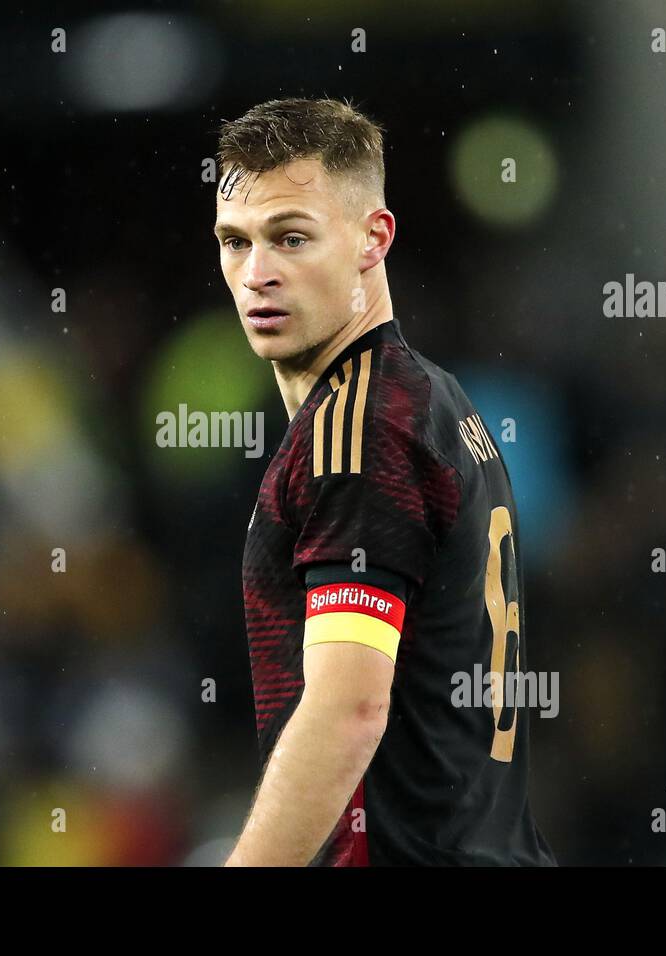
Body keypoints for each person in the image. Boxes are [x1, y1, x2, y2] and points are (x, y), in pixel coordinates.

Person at [214, 97, 556, 866]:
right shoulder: (430, 398)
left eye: (291, 237)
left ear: (374, 238)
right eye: (235, 242)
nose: (256, 274)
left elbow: (348, 710)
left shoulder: (359, 434)